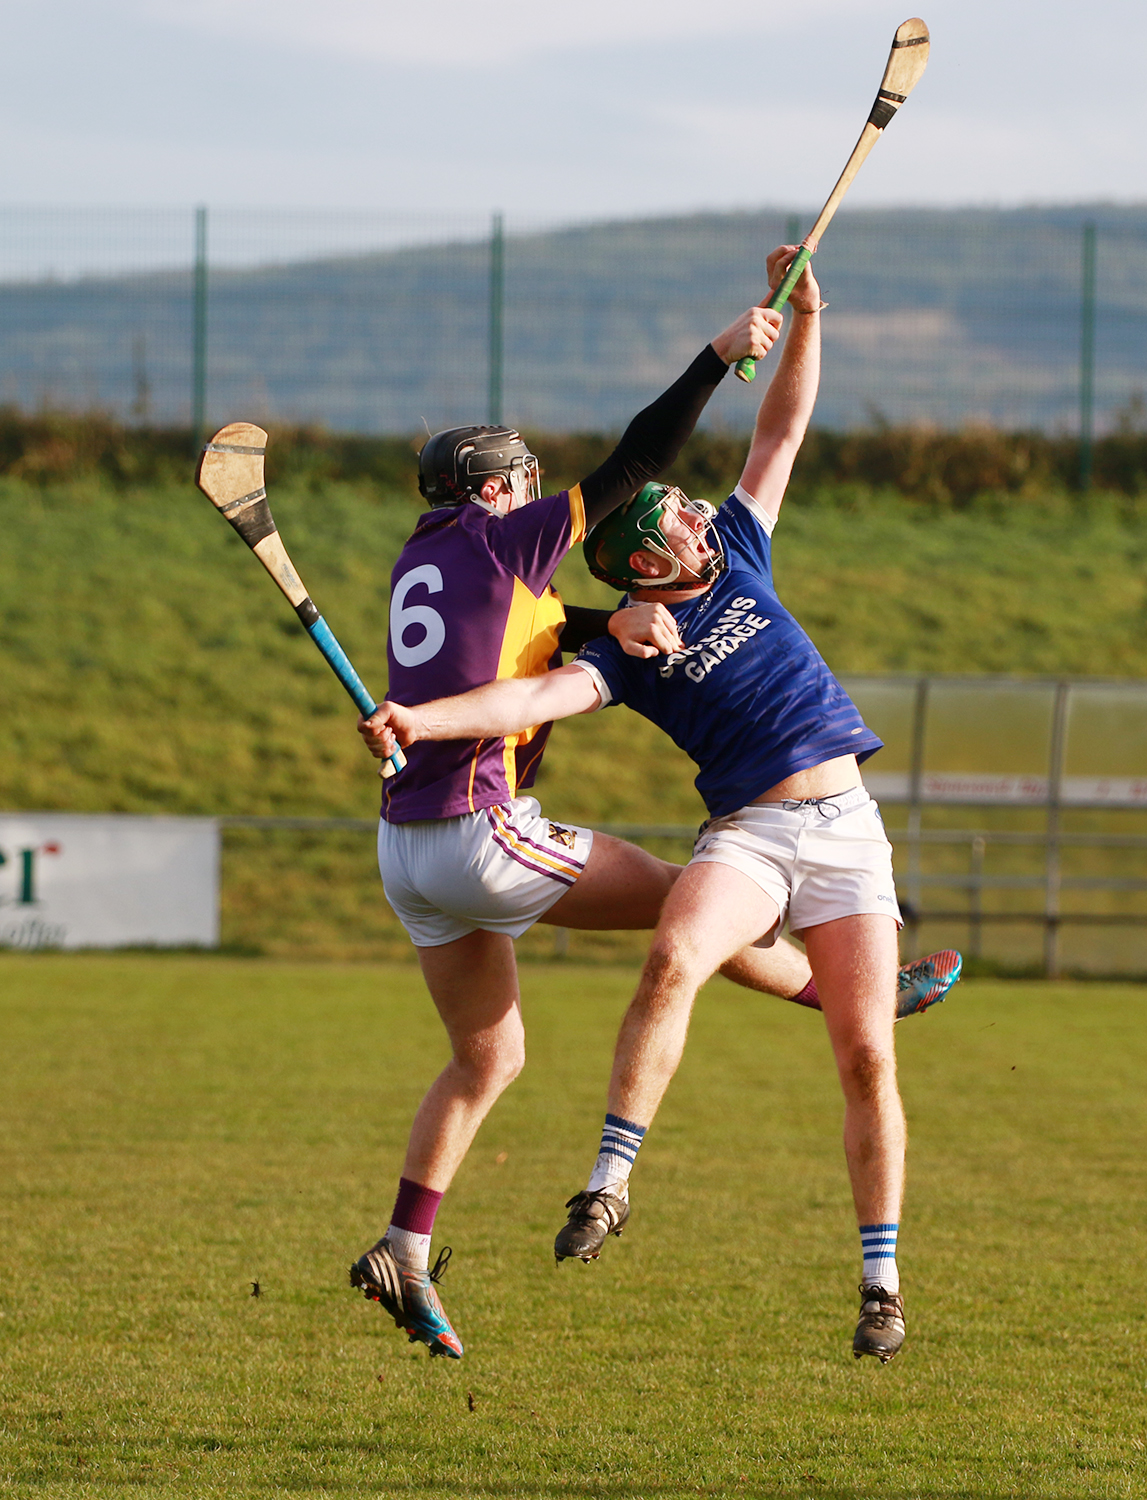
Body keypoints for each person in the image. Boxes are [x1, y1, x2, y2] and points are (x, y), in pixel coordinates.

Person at [359, 249, 958, 1365]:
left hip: (405, 847)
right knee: (694, 911)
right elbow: (630, 474)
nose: (689, 508)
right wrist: (718, 353)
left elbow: (775, 443)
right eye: (520, 477)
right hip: (513, 824)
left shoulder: (433, 558)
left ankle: (403, 1240)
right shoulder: (536, 551)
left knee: (491, 1059)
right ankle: (641, 1154)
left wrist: (811, 315)